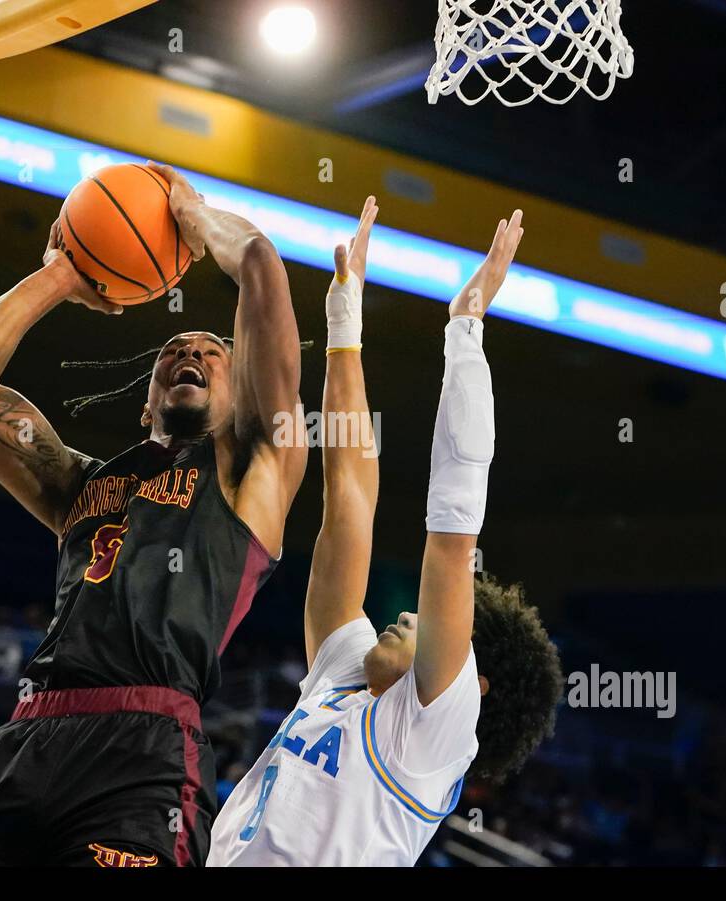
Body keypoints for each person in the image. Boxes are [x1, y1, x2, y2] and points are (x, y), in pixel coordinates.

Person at [0, 163, 307, 867]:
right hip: (27, 739)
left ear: (239, 395)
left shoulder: (254, 465)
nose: (190, 350)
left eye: (212, 352)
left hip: (144, 753)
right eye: (173, 350)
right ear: (145, 404)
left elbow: (259, 267)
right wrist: (66, 274)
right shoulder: (76, 485)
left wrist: (192, 217)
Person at [209, 202, 563, 866]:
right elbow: (348, 493)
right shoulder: (341, 680)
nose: (406, 611)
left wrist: (466, 330)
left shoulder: (434, 735)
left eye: (431, 619)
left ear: (472, 683)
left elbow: (452, 535)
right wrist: (345, 326)